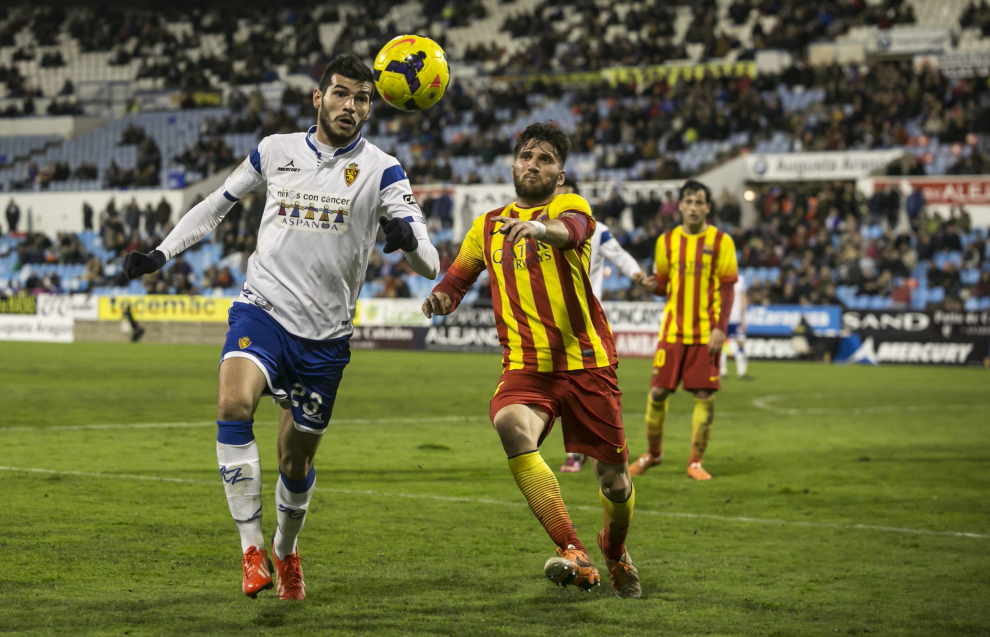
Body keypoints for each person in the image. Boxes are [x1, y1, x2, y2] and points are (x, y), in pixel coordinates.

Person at [122, 55, 439, 601]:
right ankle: (250, 551)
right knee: (232, 404)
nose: (351, 106)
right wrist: (161, 253)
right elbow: (216, 205)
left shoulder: (384, 169)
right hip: (261, 309)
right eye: (341, 94)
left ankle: (286, 550)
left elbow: (430, 261)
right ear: (318, 98)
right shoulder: (275, 150)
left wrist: (408, 242)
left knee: (297, 459)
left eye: (362, 98)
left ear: (372, 105)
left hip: (325, 338)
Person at [422, 123, 640, 598]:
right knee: (509, 424)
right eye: (527, 157)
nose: (534, 165)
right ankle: (574, 550)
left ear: (561, 173)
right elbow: (457, 280)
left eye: (545, 160)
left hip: (587, 364)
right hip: (526, 367)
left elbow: (572, 232)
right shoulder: (487, 225)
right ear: (514, 164)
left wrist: (539, 229)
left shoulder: (571, 206)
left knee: (616, 483)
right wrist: (441, 297)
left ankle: (614, 549)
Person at [629, 179, 738, 481]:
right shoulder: (666, 241)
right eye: (688, 201)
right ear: (680, 206)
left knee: (704, 394)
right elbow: (664, 286)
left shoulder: (721, 242)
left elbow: (728, 290)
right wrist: (654, 286)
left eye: (699, 201)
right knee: (657, 392)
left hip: (706, 334)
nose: (693, 206)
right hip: (673, 333)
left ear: (707, 207)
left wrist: (721, 328)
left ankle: (695, 463)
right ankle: (653, 453)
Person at [557, 177, 653, 474]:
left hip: (585, 319)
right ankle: (580, 448)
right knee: (559, 386)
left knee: (586, 385)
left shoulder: (592, 228)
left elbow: (618, 254)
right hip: (551, 318)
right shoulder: (539, 226)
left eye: (565, 193)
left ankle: (586, 450)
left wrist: (636, 273)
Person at [720, 273, 749, 379]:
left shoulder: (740, 279)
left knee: (741, 343)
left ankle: (741, 372)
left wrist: (744, 318)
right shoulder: (720, 277)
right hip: (724, 318)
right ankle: (722, 371)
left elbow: (743, 299)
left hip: (737, 318)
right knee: (722, 344)